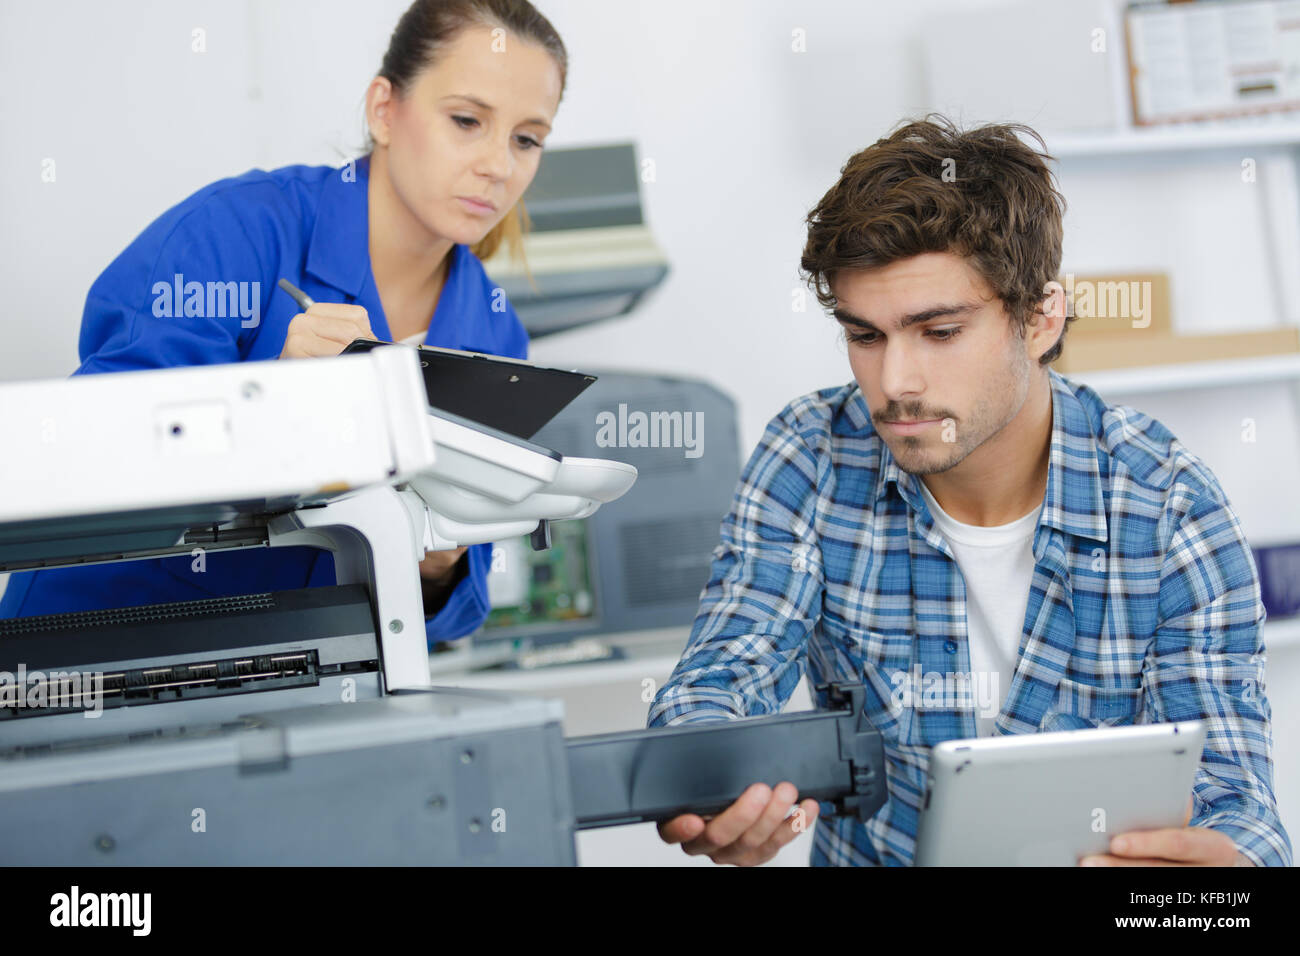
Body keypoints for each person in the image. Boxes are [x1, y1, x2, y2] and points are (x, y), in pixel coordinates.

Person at [649, 116, 1291, 868]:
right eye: (865, 335)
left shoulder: (1169, 507)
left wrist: (1224, 880)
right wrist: (710, 777)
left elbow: (1237, 803)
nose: (894, 385)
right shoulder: (813, 454)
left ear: (1040, 318)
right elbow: (727, 666)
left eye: (940, 332)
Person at [0, 0, 567, 646]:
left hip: (306, 673)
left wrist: (441, 559)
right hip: (93, 651)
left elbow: (456, 608)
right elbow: (85, 454)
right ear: (384, 109)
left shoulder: (495, 336)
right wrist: (272, 406)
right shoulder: (231, 236)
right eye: (466, 120)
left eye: (526, 139)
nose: (498, 165)